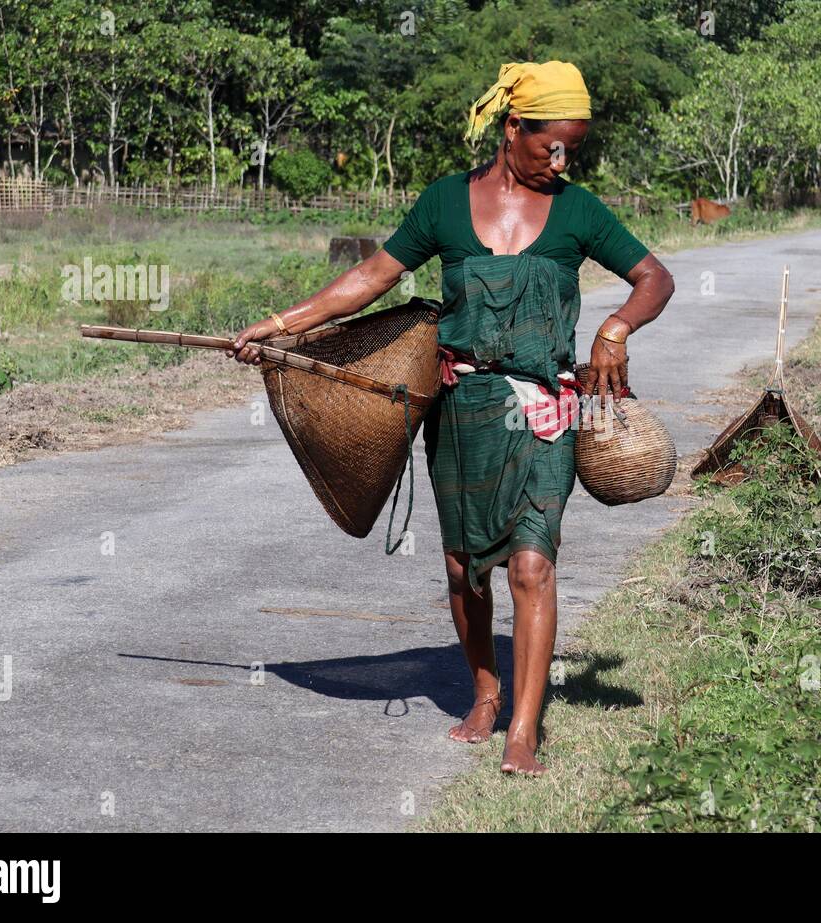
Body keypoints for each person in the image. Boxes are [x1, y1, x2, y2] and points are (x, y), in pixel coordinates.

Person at [229, 60, 675, 775]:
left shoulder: (579, 211)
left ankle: (524, 728)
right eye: (549, 145)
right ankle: (488, 691)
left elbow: (655, 277)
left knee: (532, 564)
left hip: (544, 412)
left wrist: (615, 329)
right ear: (512, 129)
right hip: (463, 410)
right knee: (466, 569)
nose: (561, 161)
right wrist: (280, 325)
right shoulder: (443, 203)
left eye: (572, 149)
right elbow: (371, 279)